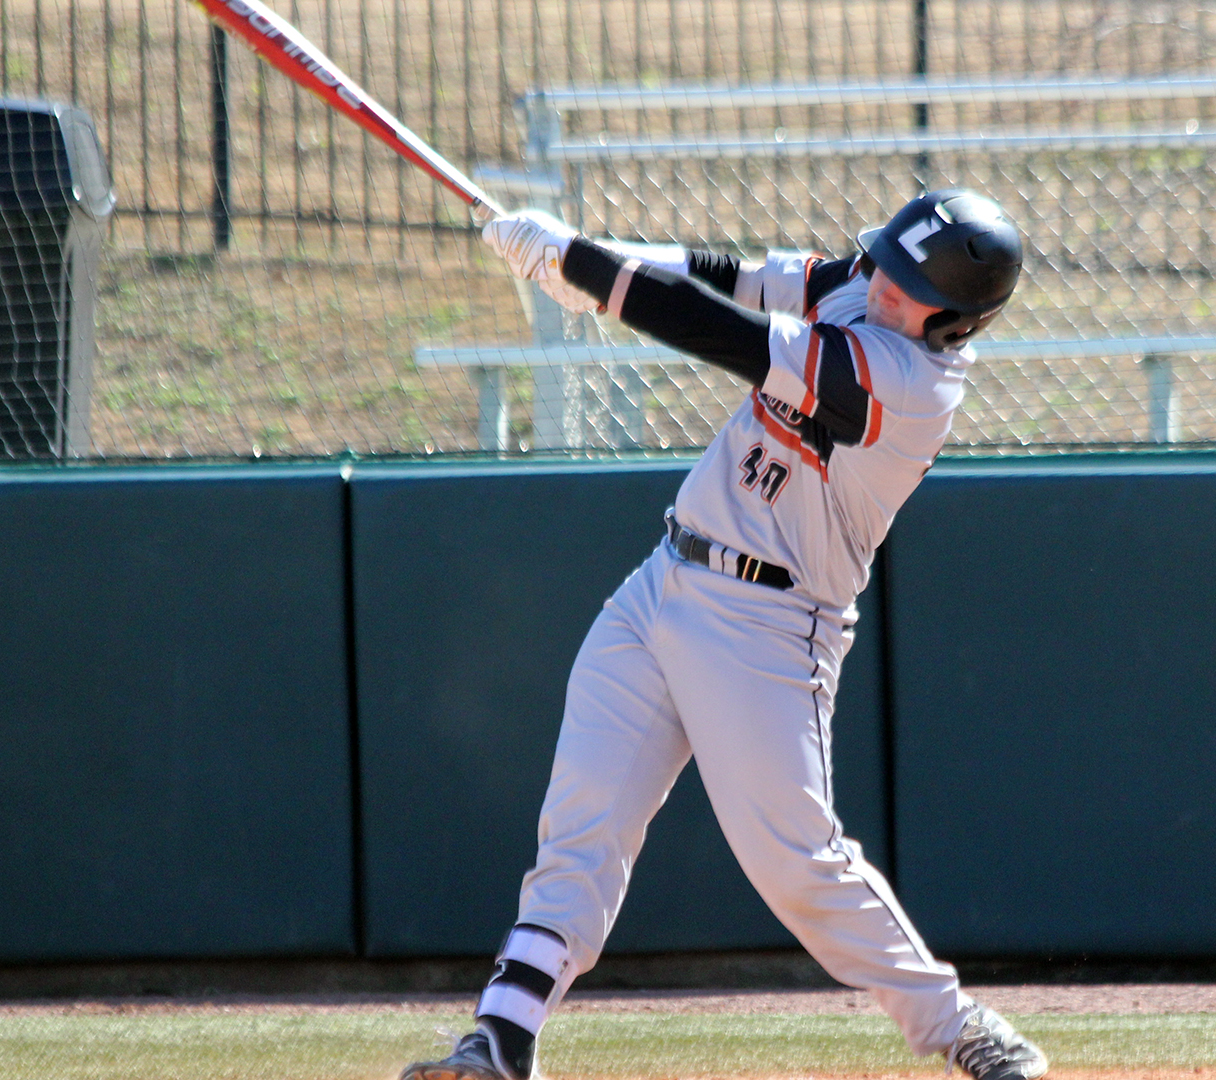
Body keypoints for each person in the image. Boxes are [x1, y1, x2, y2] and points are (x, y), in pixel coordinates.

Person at [402, 190, 1042, 1080]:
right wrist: (581, 255)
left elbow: (725, 337)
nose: (883, 286)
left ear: (958, 325)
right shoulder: (861, 285)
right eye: (887, 266)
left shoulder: (908, 387)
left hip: (770, 626)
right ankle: (501, 1037)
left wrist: (582, 269)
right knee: (582, 820)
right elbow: (727, 277)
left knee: (798, 864)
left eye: (909, 287)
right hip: (665, 578)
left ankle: (962, 1026)